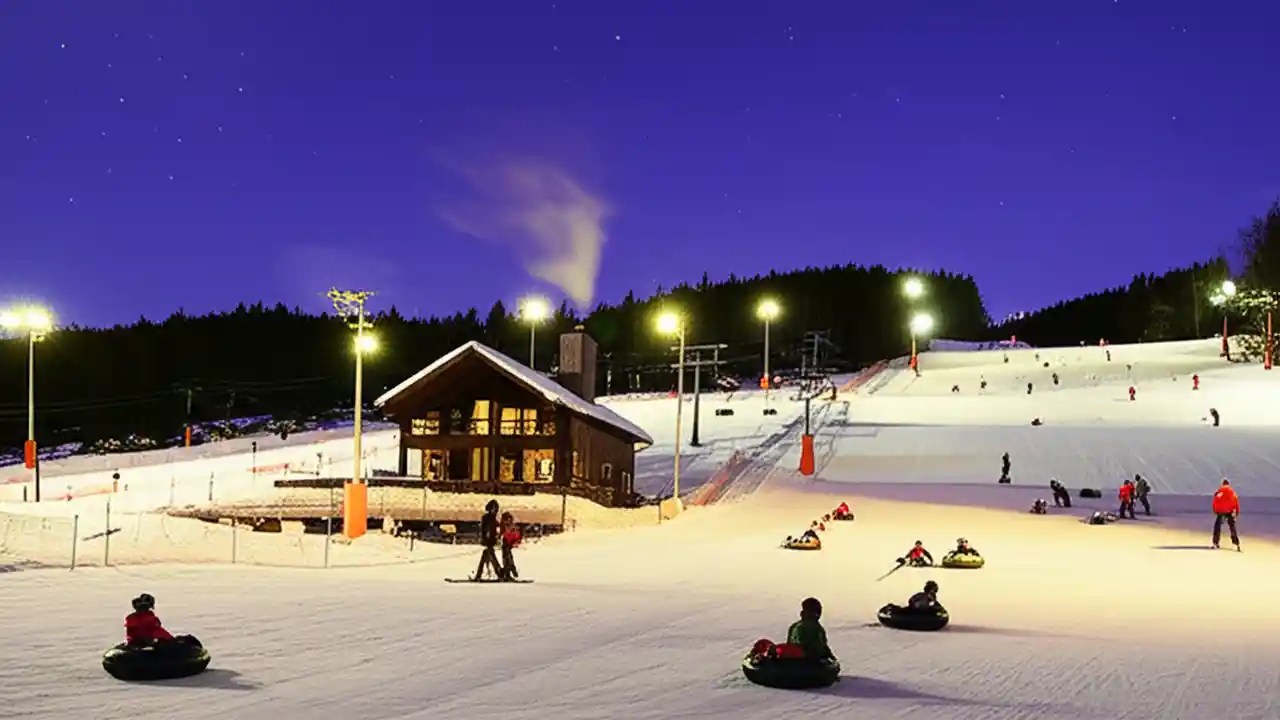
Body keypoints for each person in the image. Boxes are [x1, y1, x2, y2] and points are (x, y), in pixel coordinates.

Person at [474, 499, 503, 580]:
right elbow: (485, 529)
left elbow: (496, 529)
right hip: (488, 540)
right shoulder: (487, 518)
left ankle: (479, 575)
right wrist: (486, 538)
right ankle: (499, 574)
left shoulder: (494, 519)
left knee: (486, 556)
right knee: (491, 557)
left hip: (491, 541)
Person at [1211, 479, 1241, 551]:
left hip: (1221, 512)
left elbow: (1215, 500)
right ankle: (1236, 544)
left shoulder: (1219, 491)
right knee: (1232, 527)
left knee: (1217, 527)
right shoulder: (1232, 493)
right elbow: (1236, 503)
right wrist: (1236, 513)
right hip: (1230, 511)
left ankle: (1216, 543)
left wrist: (1215, 510)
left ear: (1223, 484)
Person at [498, 511, 522, 581]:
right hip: (506, 544)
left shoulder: (512, 527)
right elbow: (501, 534)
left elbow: (516, 536)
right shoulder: (504, 526)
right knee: (506, 559)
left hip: (509, 544)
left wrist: (515, 542)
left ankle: (511, 571)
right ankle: (508, 573)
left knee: (508, 559)